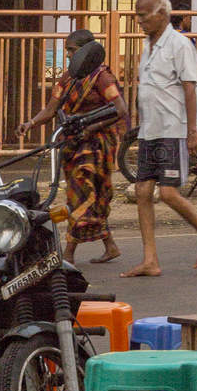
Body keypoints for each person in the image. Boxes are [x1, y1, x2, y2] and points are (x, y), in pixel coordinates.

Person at [121, 0, 197, 277]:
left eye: (143, 15)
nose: (139, 21)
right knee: (142, 191)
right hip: (150, 129)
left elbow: (190, 87)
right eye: (137, 15)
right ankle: (150, 259)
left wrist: (192, 131)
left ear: (162, 14)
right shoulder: (148, 45)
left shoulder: (179, 44)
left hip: (173, 128)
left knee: (167, 193)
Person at [19, 30, 127, 265]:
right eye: (67, 50)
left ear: (86, 51)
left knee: (82, 196)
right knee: (90, 196)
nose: (68, 55)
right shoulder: (68, 78)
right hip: (72, 143)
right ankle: (110, 246)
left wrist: (91, 127)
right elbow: (50, 109)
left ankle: (68, 253)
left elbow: (120, 109)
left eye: (72, 51)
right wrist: (30, 123)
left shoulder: (102, 77)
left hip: (96, 146)